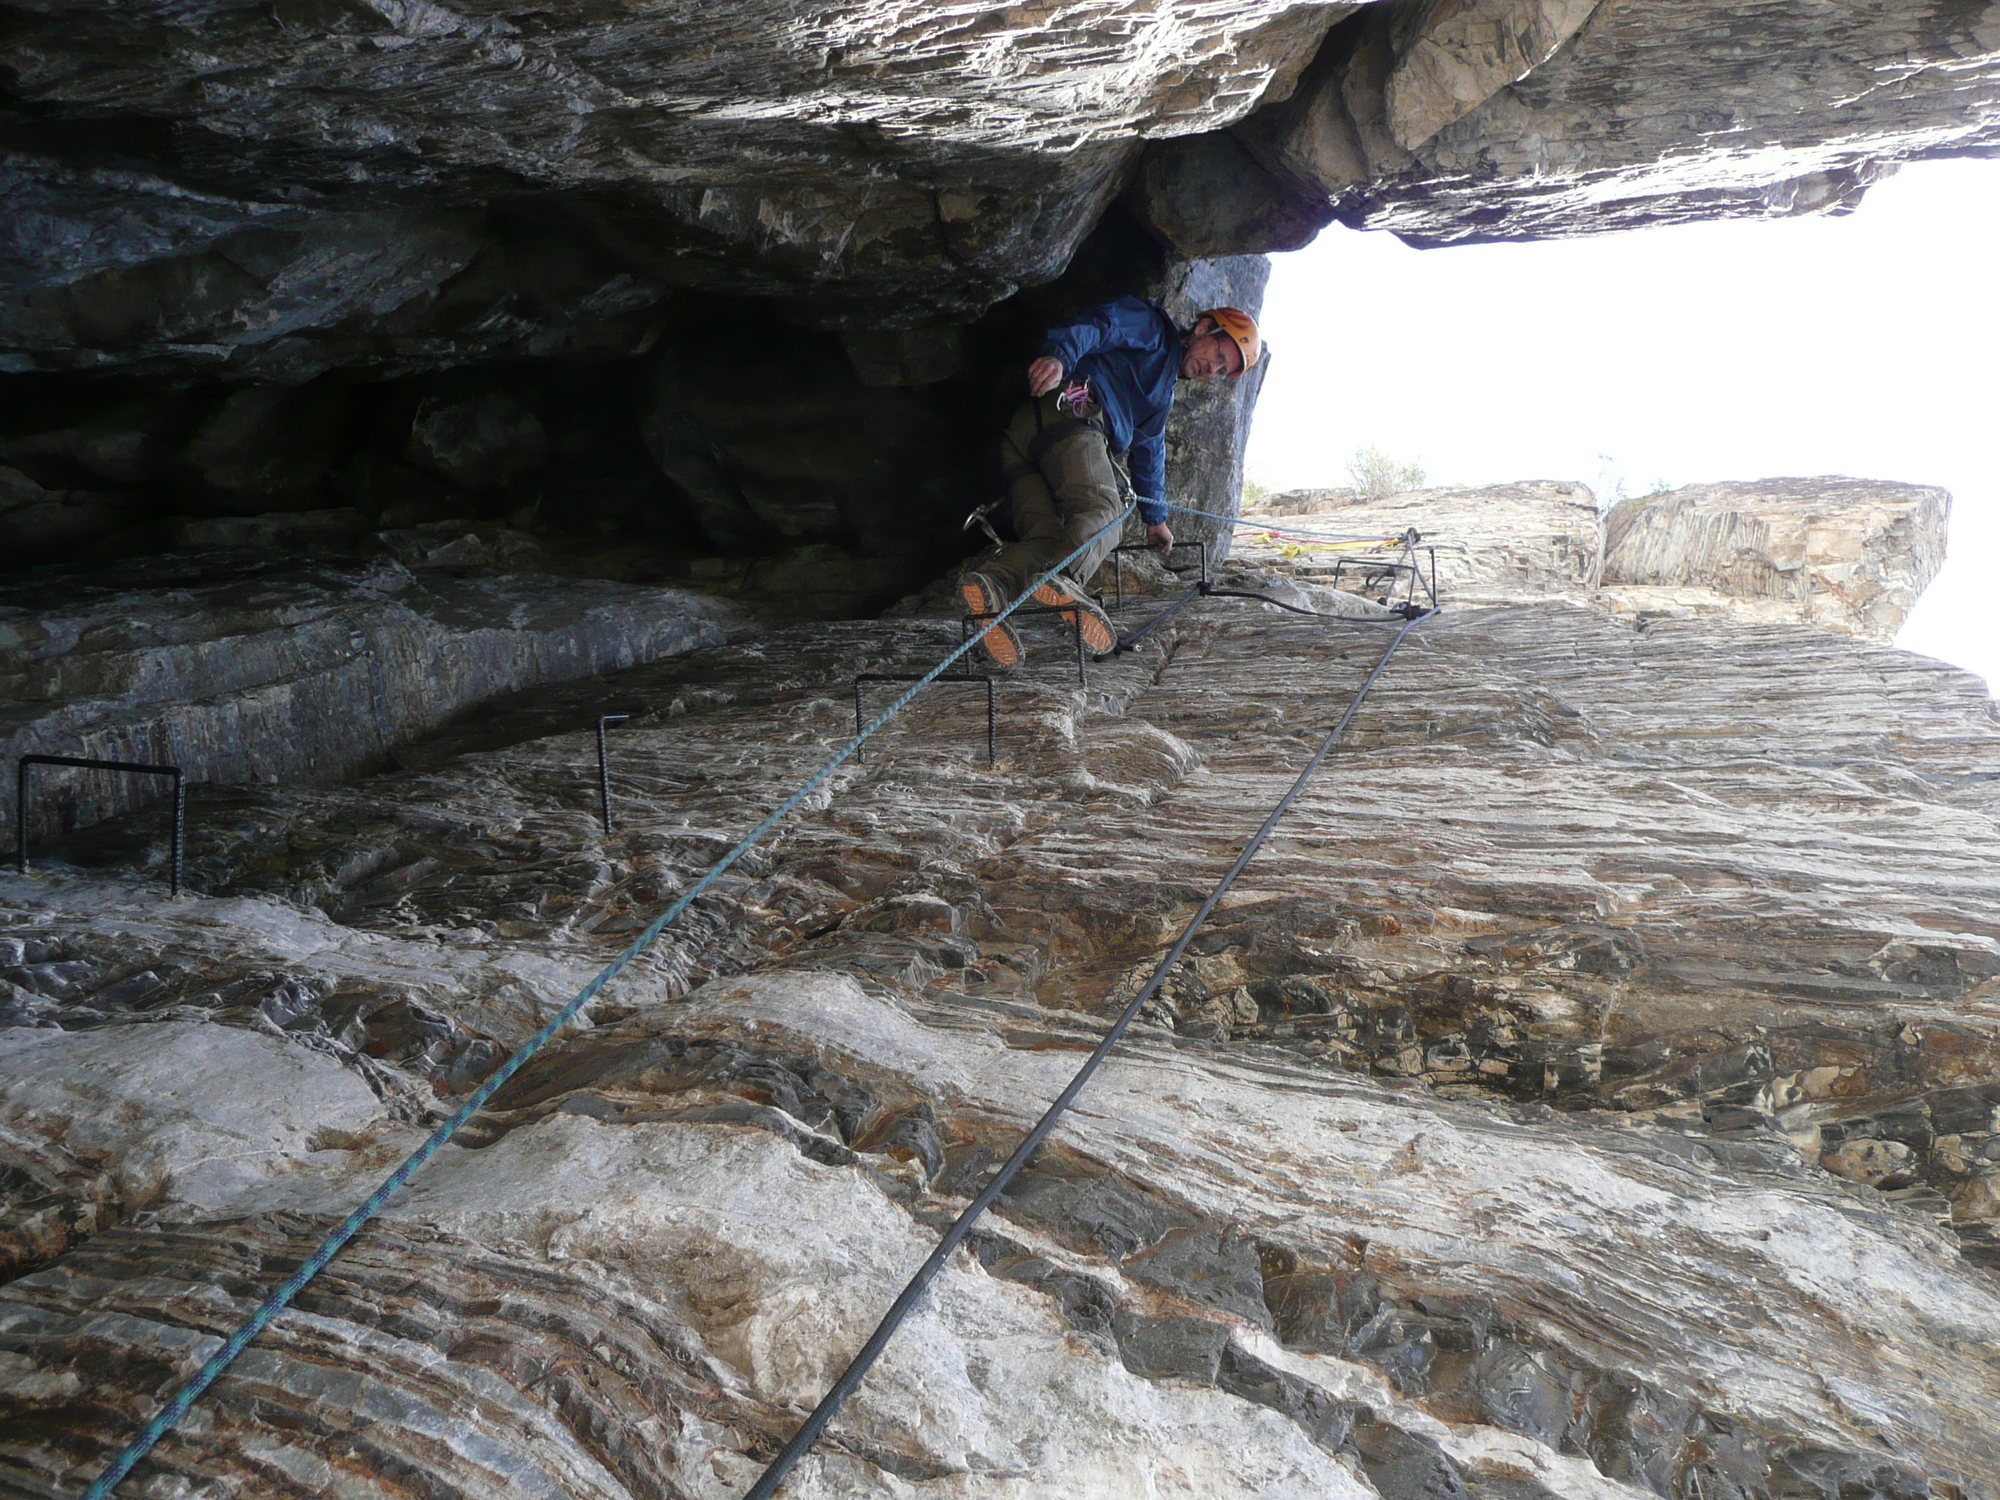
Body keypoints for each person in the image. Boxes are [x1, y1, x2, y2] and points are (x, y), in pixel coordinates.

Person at [959, 298, 1263, 668]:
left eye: (1220, 369)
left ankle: (992, 584)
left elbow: (1149, 452)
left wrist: (1156, 517)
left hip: (1022, 443)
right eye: (1217, 353)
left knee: (1049, 540)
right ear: (1202, 329)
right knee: (1105, 512)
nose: (1210, 368)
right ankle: (1065, 582)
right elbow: (1101, 325)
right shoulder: (1151, 329)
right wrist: (1059, 357)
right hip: (1072, 415)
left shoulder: (1161, 396)